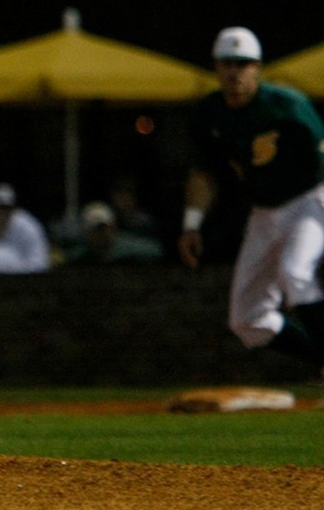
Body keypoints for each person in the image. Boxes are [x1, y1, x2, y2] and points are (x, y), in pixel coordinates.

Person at [178, 26, 324, 382]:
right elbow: (204, 173)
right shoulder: (211, 112)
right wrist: (191, 224)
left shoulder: (287, 105)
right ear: (216, 67)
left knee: (296, 273)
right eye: (228, 63)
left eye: (243, 64)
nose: (234, 72)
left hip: (309, 199)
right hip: (264, 211)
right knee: (246, 319)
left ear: (258, 67)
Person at [0, 183, 51, 274]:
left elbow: (39, 263)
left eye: (4, 207)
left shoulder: (26, 225)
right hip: (11, 271)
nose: (2, 211)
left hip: (29, 274)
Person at [60, 201, 164, 267]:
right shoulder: (80, 255)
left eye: (104, 228)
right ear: (86, 232)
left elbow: (156, 250)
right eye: (95, 229)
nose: (101, 234)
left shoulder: (131, 248)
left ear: (113, 228)